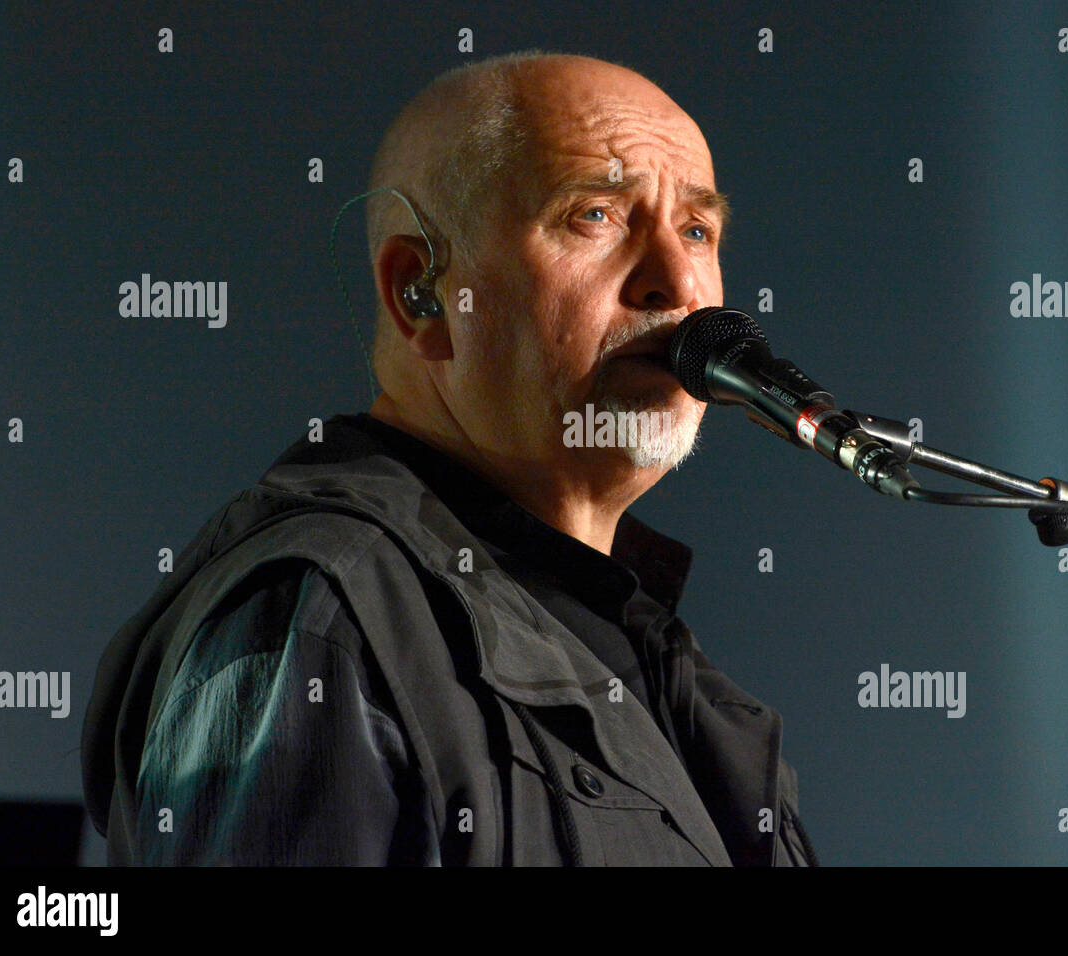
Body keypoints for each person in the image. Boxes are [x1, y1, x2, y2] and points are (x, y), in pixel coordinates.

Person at [81, 50, 818, 866]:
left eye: (696, 229)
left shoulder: (637, 647)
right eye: (596, 215)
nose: (678, 283)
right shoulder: (321, 614)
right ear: (419, 293)